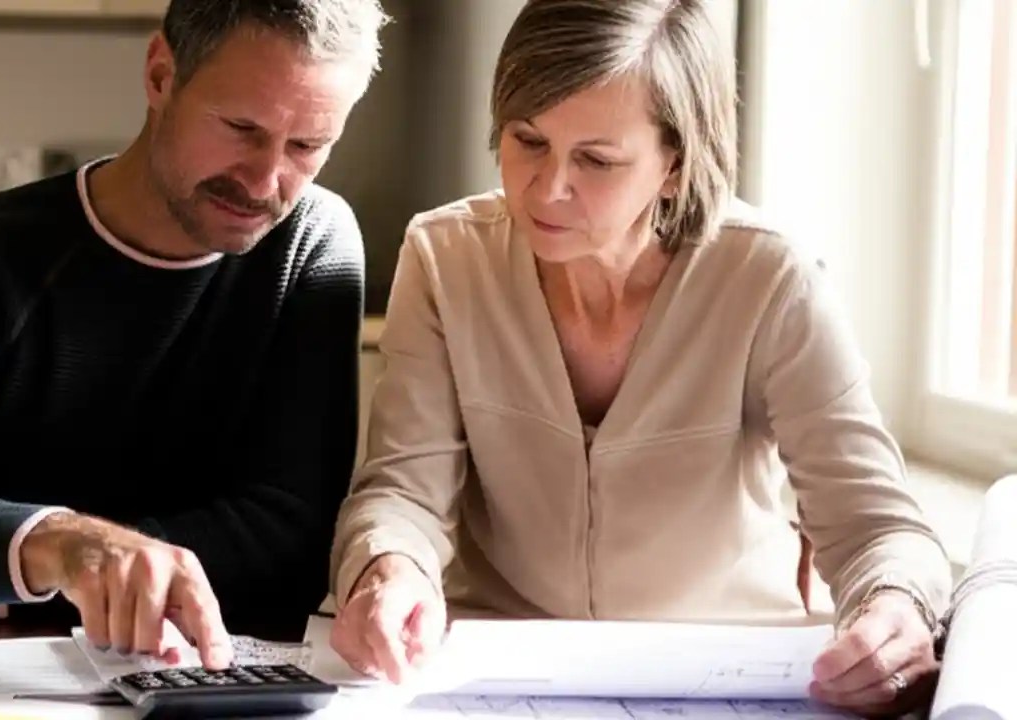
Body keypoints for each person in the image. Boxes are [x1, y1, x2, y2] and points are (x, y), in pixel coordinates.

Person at [327, 0, 952, 716]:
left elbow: (878, 526)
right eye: (527, 140)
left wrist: (893, 608)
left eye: (595, 159)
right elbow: (402, 488)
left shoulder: (770, 278)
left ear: (674, 165)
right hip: (494, 681)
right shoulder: (444, 257)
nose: (547, 187)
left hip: (726, 681)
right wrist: (390, 569)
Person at [0, 0, 390, 664]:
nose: (266, 181)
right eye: (240, 127)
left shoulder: (310, 245)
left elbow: (288, 547)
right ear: (159, 74)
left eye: (306, 146)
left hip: (198, 682)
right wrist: (60, 547)